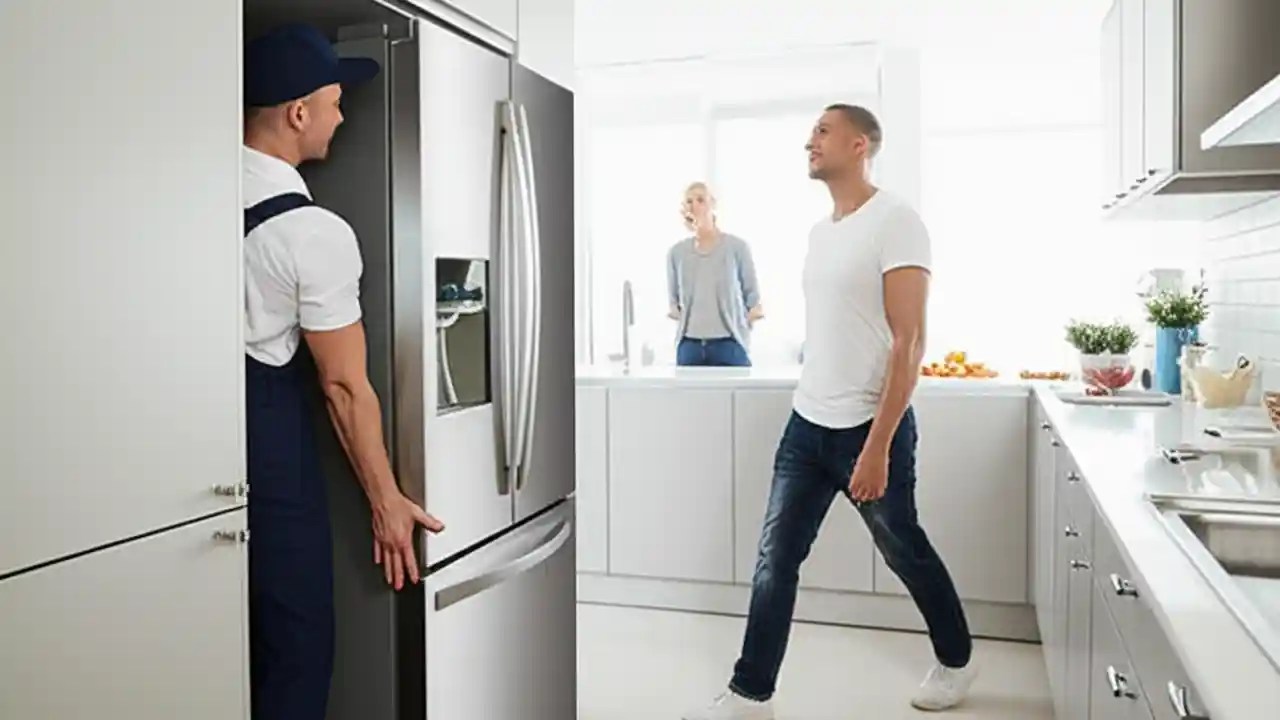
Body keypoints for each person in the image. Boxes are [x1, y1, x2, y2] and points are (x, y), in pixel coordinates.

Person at [683, 105, 975, 720]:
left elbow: (910, 343)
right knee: (775, 560)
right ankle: (748, 696)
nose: (809, 141)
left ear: (860, 143)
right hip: (806, 425)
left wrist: (876, 448)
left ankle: (955, 658)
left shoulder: (897, 221)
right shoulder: (823, 231)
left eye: (822, 131)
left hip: (870, 429)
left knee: (903, 549)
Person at [241, 24, 445, 720]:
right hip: (266, 467)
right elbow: (342, 386)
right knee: (295, 651)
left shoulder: (182, 197)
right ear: (298, 113)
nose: (342, 115)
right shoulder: (311, 232)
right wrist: (387, 502)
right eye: (334, 101)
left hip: (181, 473)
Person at [666, 181, 763, 367]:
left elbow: (753, 298)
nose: (694, 205)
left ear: (713, 204)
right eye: (689, 201)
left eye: (700, 200)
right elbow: (674, 303)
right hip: (690, 346)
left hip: (729, 344)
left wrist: (745, 323)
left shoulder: (737, 248)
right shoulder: (676, 253)